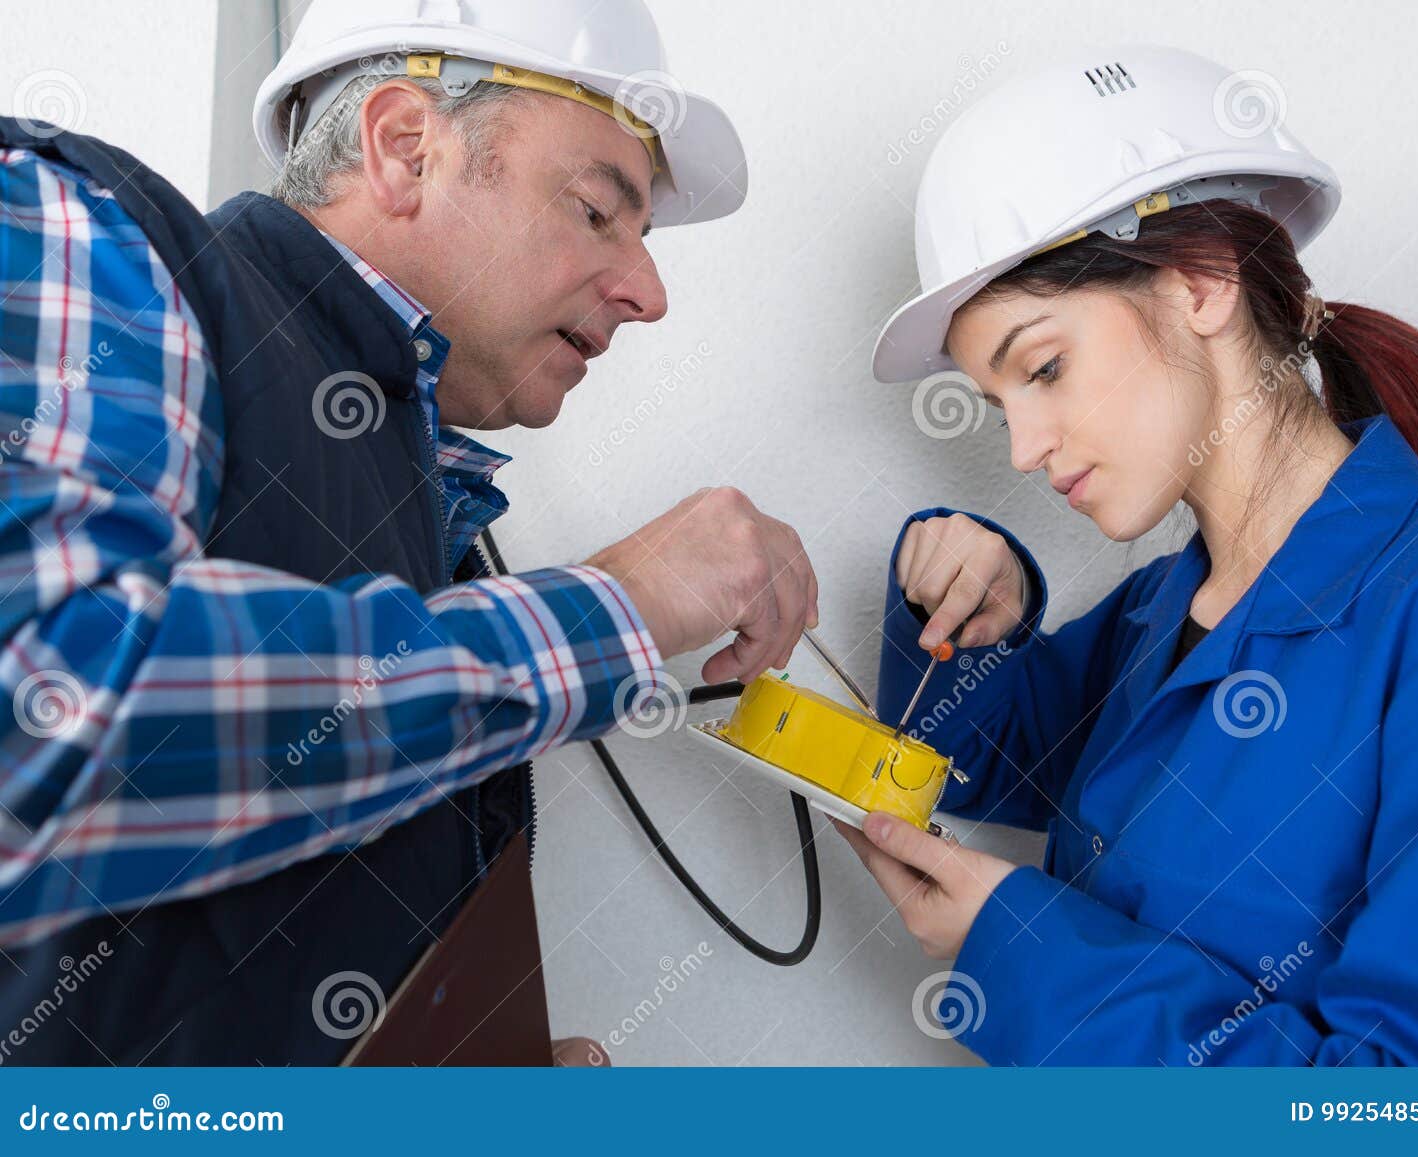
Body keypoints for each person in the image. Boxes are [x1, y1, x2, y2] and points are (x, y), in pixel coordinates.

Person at [0, 0, 816, 1064]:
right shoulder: (73, 222)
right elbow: (44, 724)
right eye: (597, 210)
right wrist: (620, 603)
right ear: (403, 147)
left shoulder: (427, 504)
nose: (648, 292)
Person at [840, 45, 1418, 1065]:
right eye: (997, 403)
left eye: (1045, 367)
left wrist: (1023, 952)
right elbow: (962, 756)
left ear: (1200, 284)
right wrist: (971, 585)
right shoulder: (1162, 611)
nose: (1023, 448)